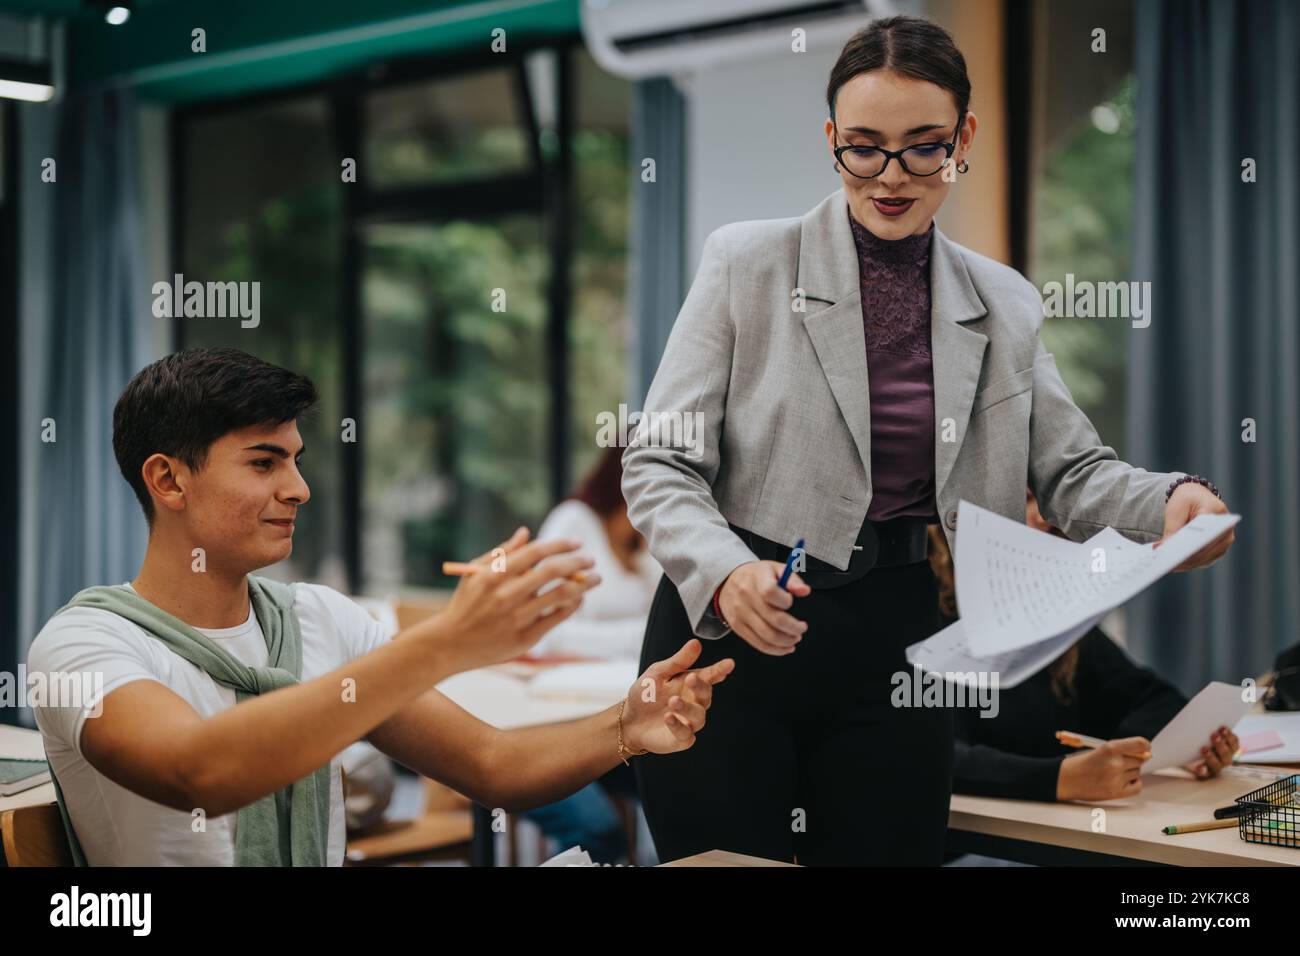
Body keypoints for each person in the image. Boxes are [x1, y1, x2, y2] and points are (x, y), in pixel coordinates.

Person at [621, 15, 1235, 865]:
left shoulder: (1004, 300)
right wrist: (724, 572)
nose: (892, 175)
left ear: (963, 138)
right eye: (864, 147)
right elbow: (660, 459)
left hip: (901, 640)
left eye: (923, 147)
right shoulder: (748, 264)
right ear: (831, 139)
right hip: (735, 634)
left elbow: (1071, 470)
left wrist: (1173, 500)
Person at [25, 347, 733, 866]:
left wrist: (628, 725)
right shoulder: (84, 646)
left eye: (297, 461)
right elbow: (197, 771)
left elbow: (492, 762)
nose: (299, 488)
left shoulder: (321, 621)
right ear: (168, 482)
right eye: (265, 462)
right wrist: (448, 641)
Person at [934, 489, 1240, 807]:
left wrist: (1183, 748)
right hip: (969, 842)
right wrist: (1061, 777)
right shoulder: (927, 613)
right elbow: (933, 756)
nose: (1044, 517)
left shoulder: (1048, 608)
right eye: (1023, 497)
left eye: (1048, 499)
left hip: (1052, 829)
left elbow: (1150, 699)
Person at [522, 446, 663, 862]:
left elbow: (671, 624)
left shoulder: (646, 541)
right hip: (549, 723)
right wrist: (642, 634)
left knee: (681, 792)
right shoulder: (573, 524)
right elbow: (549, 636)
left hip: (616, 716)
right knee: (597, 833)